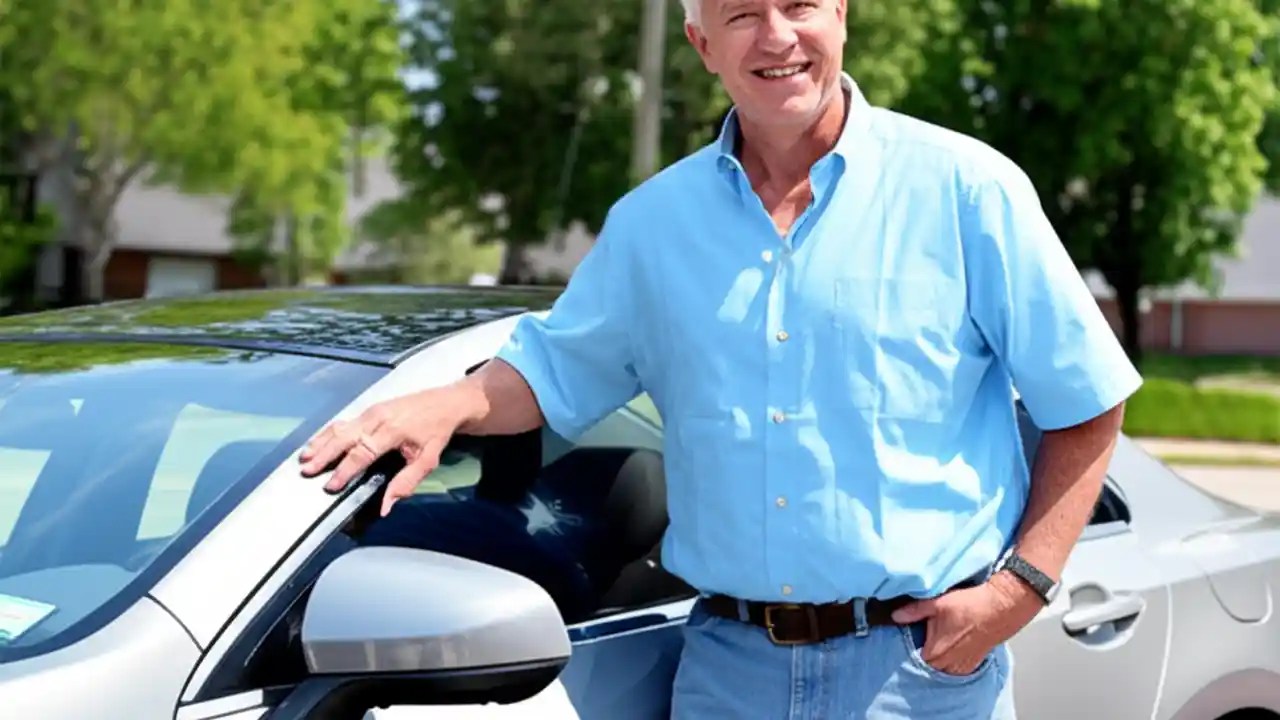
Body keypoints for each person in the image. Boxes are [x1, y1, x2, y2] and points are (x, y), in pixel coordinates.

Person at [299, 0, 1142, 716]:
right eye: (741, 14)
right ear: (703, 45)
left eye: (799, 5)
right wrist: (447, 405)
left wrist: (1019, 588)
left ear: (841, 16)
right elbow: (551, 371)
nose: (776, 37)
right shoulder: (651, 225)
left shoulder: (968, 191)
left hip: (920, 673)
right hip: (726, 674)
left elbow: (1089, 402)